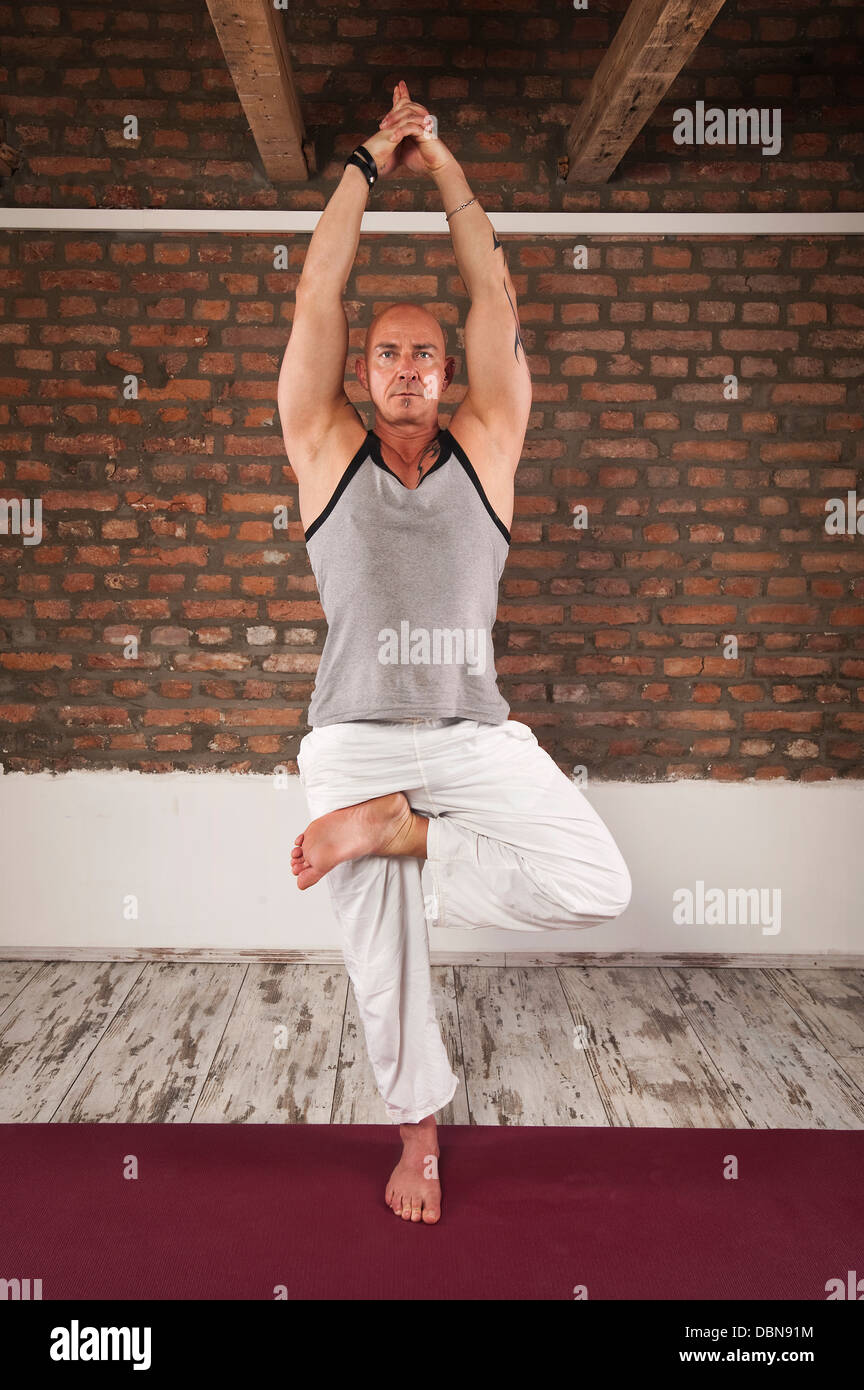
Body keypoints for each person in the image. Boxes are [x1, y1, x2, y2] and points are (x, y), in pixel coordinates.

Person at [277, 81, 632, 1226]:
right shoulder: (327, 447)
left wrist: (453, 176)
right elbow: (318, 288)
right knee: (385, 958)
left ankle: (412, 833)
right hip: (351, 739)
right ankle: (420, 1142)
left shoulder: (489, 443)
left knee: (598, 880)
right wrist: (372, 165)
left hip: (474, 737)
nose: (410, 369)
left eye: (428, 355)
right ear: (364, 369)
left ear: (450, 371)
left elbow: (496, 291)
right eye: (389, 354)